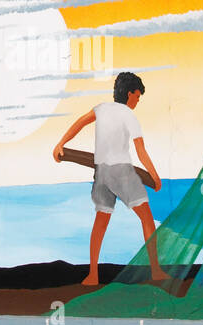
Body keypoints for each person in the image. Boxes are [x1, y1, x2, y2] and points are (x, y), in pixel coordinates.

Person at [53, 72, 165, 286]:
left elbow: (80, 122)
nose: (138, 100)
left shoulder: (101, 108)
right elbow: (140, 151)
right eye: (138, 96)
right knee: (147, 218)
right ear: (130, 93)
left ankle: (93, 275)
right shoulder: (129, 116)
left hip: (102, 173)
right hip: (122, 172)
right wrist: (155, 176)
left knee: (101, 222)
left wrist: (61, 143)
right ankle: (156, 271)